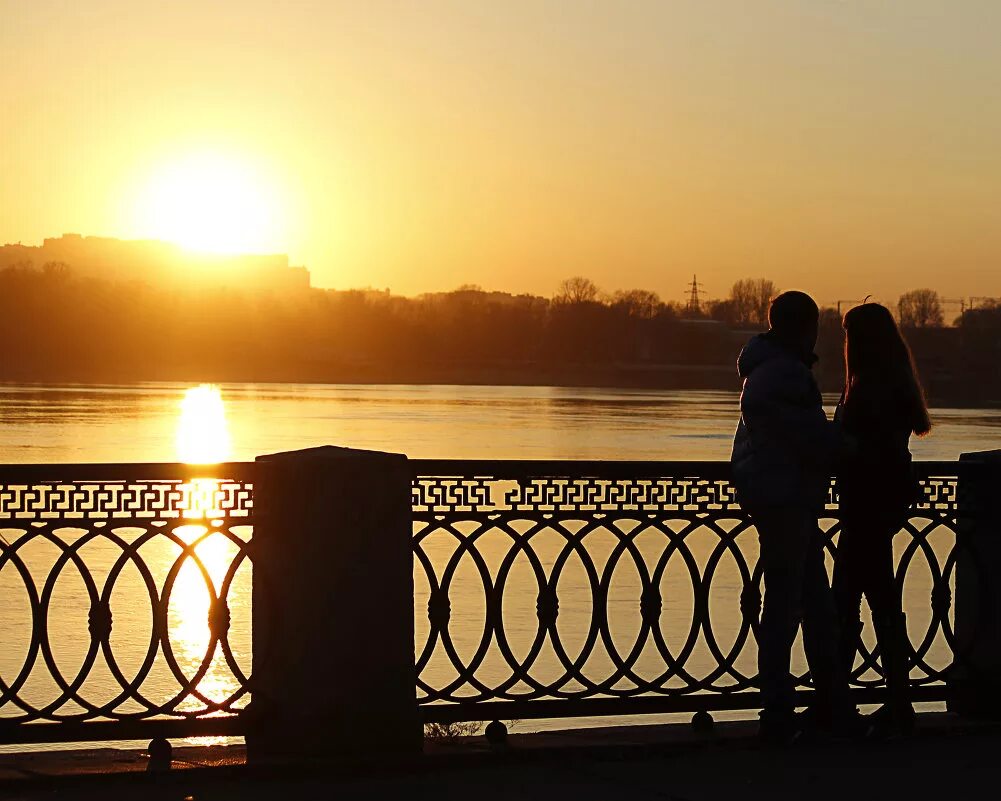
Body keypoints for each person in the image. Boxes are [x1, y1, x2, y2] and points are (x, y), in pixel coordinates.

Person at [731, 290, 856, 743]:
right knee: (789, 604)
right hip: (785, 497)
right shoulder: (784, 373)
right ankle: (783, 709)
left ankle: (826, 702)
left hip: (780, 495)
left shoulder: (767, 369)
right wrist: (842, 440)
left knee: (809, 602)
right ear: (805, 327)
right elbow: (803, 435)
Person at [832, 303, 931, 737]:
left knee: (852, 601)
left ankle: (842, 700)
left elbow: (856, 446)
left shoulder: (868, 387)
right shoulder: (896, 382)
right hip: (883, 502)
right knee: (876, 600)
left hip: (865, 503)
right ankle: (892, 699)